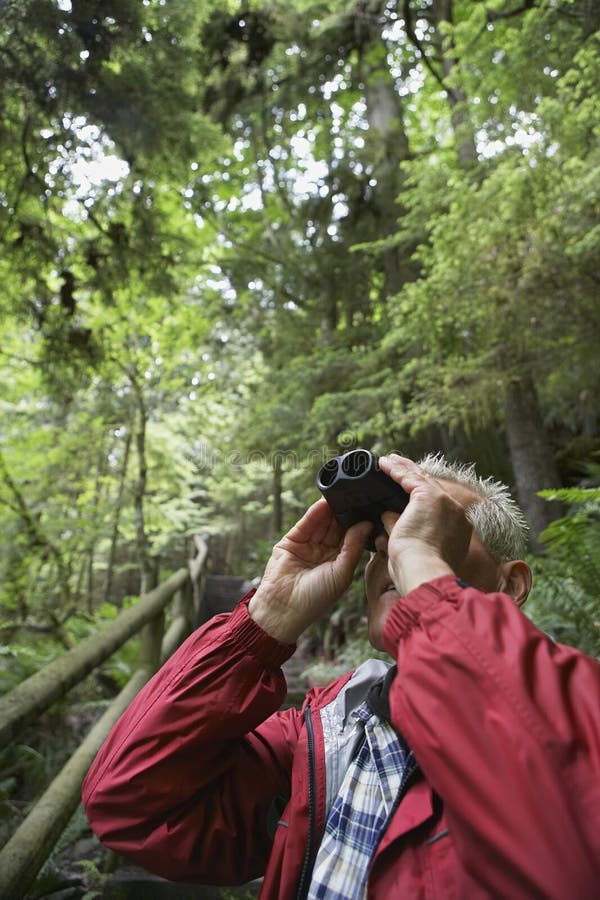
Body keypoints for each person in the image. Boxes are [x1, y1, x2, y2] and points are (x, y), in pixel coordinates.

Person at [82, 453, 600, 899]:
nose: (395, 552)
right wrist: (261, 626)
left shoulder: (578, 709)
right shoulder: (326, 732)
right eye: (388, 538)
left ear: (510, 584)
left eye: (433, 527)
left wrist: (421, 563)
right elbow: (132, 806)